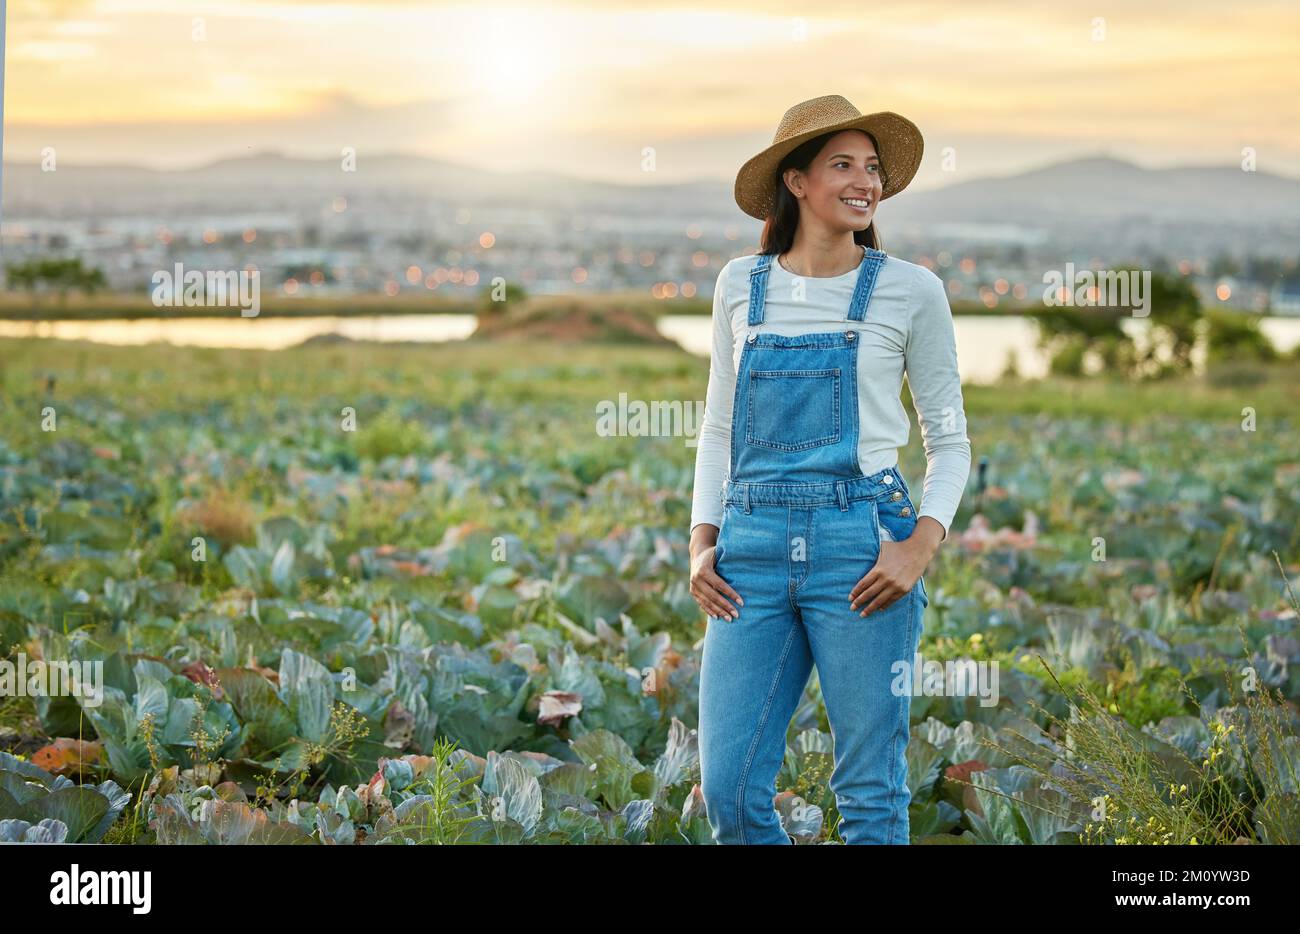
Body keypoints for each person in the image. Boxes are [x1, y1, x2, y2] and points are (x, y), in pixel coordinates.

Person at [688, 94, 971, 844]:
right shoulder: (737, 287)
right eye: (843, 164)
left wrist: (921, 545)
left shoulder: (912, 290)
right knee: (730, 787)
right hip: (746, 549)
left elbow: (950, 439)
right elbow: (717, 428)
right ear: (796, 181)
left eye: (872, 167)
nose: (865, 181)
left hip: (863, 545)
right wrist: (699, 542)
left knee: (871, 794)